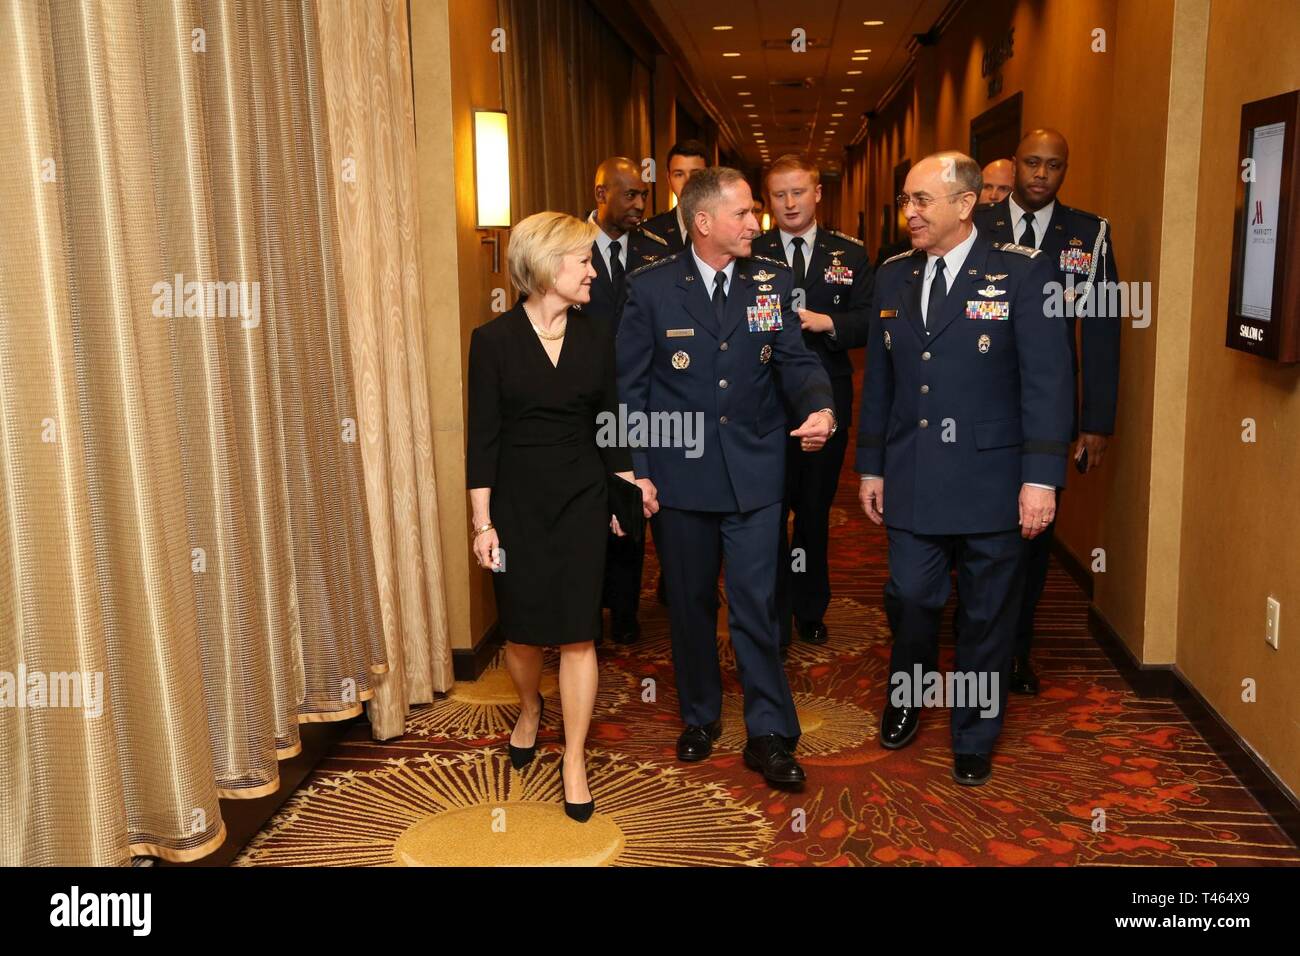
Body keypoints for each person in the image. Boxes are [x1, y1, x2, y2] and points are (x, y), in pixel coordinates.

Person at [857, 151, 1073, 786]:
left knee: (985, 614)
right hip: (914, 473)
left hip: (992, 481)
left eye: (921, 200)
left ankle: (976, 730)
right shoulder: (894, 275)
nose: (910, 213)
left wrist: (1041, 479)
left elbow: (1048, 384)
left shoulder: (1024, 274)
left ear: (965, 203)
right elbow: (882, 386)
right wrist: (871, 466)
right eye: (905, 200)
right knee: (912, 598)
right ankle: (909, 691)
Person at [617, 166, 836, 787]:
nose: (756, 222)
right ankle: (699, 715)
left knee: (757, 606)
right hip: (680, 480)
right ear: (704, 221)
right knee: (688, 604)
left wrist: (819, 406)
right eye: (742, 213)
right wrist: (638, 472)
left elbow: (794, 360)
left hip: (756, 472)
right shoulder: (652, 290)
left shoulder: (771, 281)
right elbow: (630, 390)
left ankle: (769, 732)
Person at [466, 211, 633, 823]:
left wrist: (624, 492)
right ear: (544, 266)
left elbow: (611, 423)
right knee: (521, 631)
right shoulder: (493, 342)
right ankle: (531, 707)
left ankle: (574, 756)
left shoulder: (597, 335)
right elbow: (482, 441)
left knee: (579, 630)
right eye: (582, 260)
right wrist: (483, 525)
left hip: (583, 497)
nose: (593, 270)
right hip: (515, 504)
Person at [974, 128, 1120, 695]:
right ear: (1015, 164)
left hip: (1049, 411)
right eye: (1031, 163)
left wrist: (1096, 422)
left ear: (1065, 170)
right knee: (978, 523)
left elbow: (1103, 329)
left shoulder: (1088, 235)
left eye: (1052, 166)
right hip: (980, 402)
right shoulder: (977, 226)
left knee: (1034, 529)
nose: (1040, 174)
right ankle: (976, 629)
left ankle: (1015, 649)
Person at [752, 154, 873, 652]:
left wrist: (829, 324)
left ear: (817, 193)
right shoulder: (749, 251)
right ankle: (773, 608)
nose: (790, 203)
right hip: (765, 400)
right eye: (779, 195)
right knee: (767, 509)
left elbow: (873, 319)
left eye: (798, 192)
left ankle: (810, 606)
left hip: (829, 393)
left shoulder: (849, 253)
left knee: (815, 509)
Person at [581, 157, 669, 645]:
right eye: (629, 194)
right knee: (590, 504)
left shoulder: (657, 253)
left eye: (643, 195)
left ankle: (627, 606)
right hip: (585, 401)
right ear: (601, 193)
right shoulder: (568, 248)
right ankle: (590, 607)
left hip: (641, 400)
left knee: (633, 495)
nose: (640, 204)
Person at [641, 139, 709, 253]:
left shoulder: (727, 227)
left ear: (709, 176)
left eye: (695, 174)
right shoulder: (649, 232)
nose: (687, 181)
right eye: (679, 174)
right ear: (669, 179)